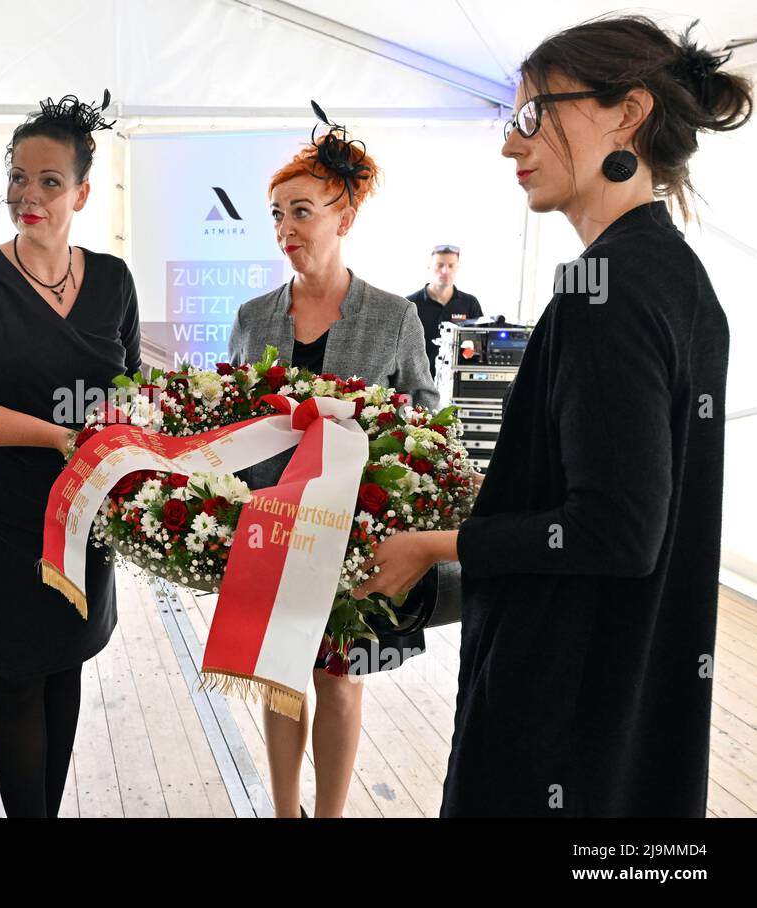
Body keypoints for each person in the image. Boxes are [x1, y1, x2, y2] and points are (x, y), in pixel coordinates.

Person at [351, 15, 751, 816]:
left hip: (562, 718)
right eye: (511, 119)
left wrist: (434, 544)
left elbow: (615, 529)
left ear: (627, 113)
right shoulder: (677, 278)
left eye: (533, 115)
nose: (511, 143)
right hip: (625, 713)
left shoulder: (609, 292)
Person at [0, 93, 140, 818]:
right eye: (18, 176)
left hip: (86, 522)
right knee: (14, 678)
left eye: (50, 181)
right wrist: (55, 437)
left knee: (65, 665)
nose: (28, 195)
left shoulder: (113, 281)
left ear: (82, 192)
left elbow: (130, 392)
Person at [227, 110, 438, 818]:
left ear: (343, 216)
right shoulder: (255, 316)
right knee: (280, 678)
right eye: (277, 214)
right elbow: (229, 420)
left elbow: (424, 417)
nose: (286, 228)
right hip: (270, 526)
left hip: (353, 534)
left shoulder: (394, 316)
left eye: (303, 212)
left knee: (341, 681)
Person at [406, 245, 482, 377]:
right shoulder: (410, 305)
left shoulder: (470, 304)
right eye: (439, 265)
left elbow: (479, 347)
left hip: (457, 383)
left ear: (457, 268)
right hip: (418, 383)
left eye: (451, 265)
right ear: (429, 266)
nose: (445, 271)